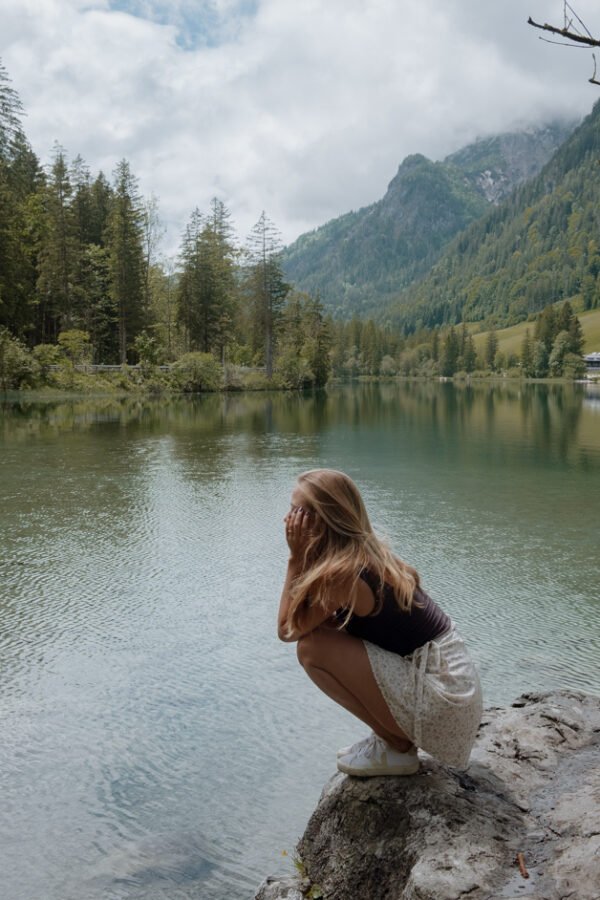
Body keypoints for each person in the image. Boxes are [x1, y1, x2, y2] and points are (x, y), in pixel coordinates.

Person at [277, 468, 482, 776]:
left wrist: (295, 559)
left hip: (445, 699)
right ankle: (390, 738)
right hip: (453, 690)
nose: (287, 520)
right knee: (324, 630)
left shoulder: (342, 573)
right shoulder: (361, 553)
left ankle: (397, 747)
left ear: (321, 521)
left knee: (312, 649)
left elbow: (287, 630)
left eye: (296, 511)